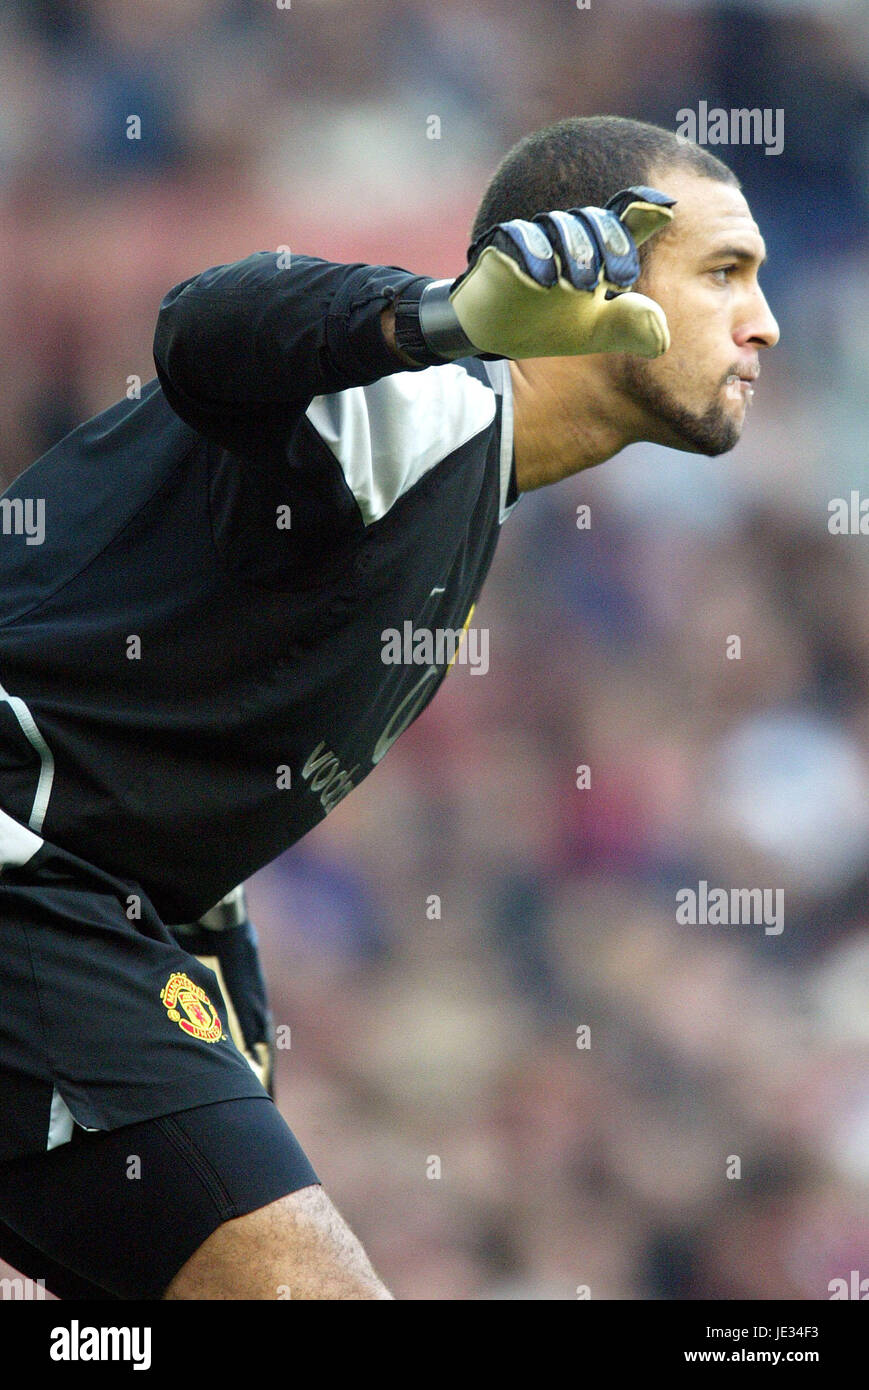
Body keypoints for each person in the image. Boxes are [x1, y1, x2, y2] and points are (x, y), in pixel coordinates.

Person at [0, 115, 778, 1300]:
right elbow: (206, 326)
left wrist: (225, 1010)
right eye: (722, 271)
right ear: (591, 262)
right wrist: (446, 316)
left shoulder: (465, 497)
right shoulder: (426, 403)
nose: (760, 318)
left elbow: (166, 776)